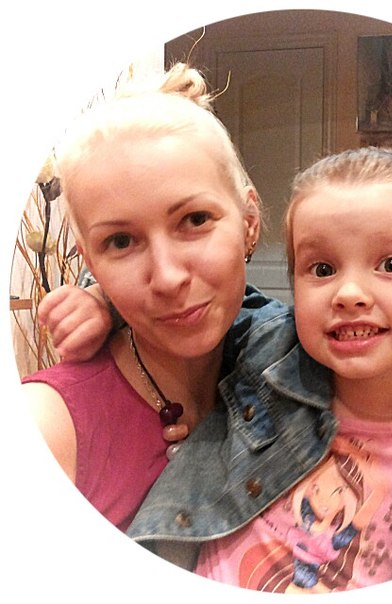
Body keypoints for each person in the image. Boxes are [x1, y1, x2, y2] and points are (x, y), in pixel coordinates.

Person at [50, 146, 392, 591]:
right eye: (322, 269)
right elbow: (197, 303)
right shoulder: (269, 348)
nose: (349, 293)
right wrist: (102, 302)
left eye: (391, 265)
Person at [20, 62, 269, 532]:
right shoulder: (48, 425)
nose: (168, 277)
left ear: (248, 223)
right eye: (120, 242)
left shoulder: (292, 375)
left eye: (194, 220)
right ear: (91, 265)